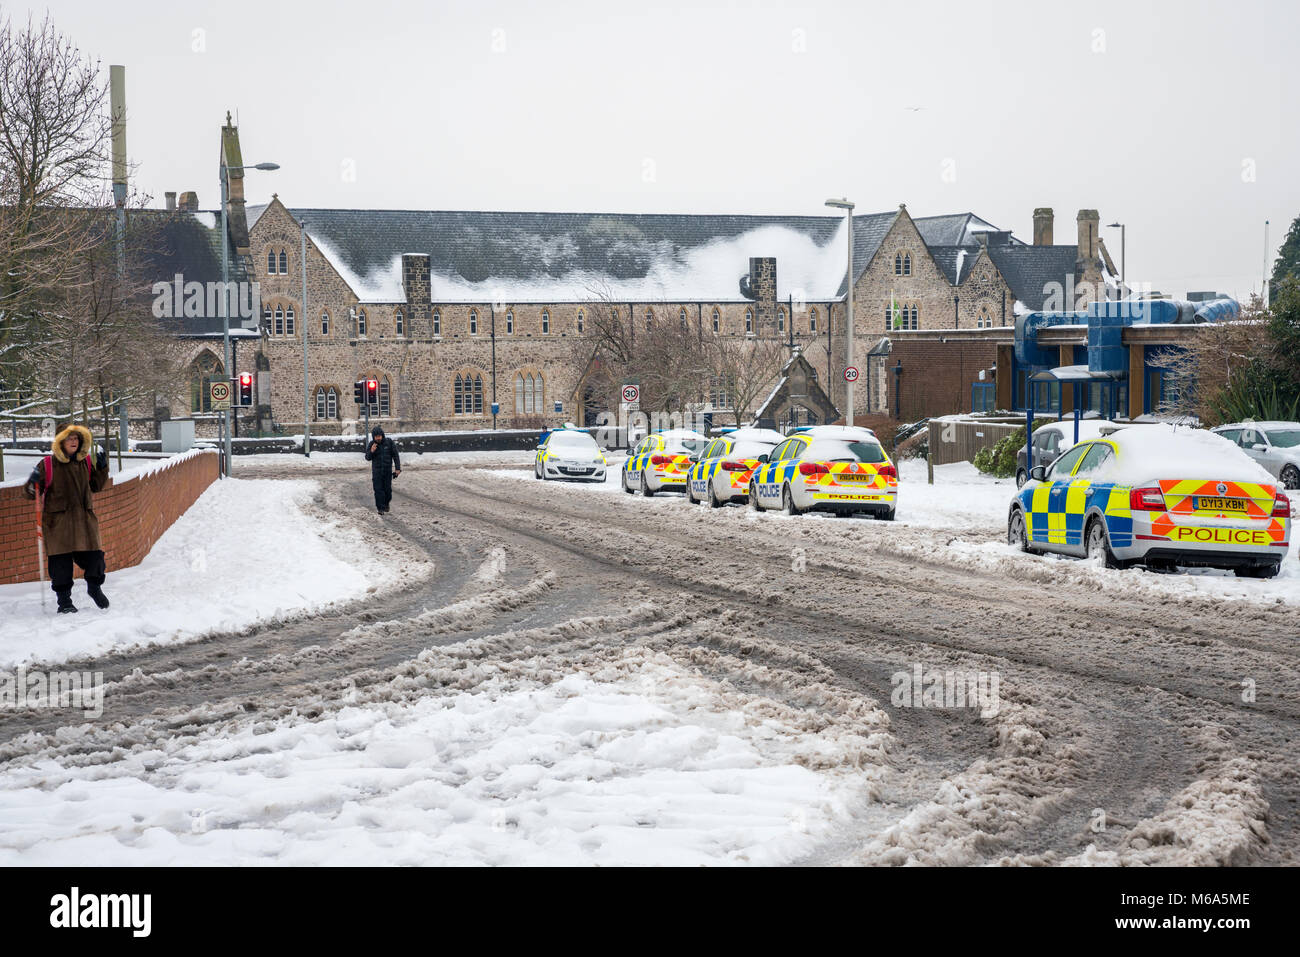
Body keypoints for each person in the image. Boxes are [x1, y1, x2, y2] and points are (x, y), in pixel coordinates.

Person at [23, 424, 111, 614]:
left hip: (84, 524)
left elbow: (96, 486)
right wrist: (33, 481)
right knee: (60, 567)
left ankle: (94, 588)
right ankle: (64, 602)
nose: (74, 441)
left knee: (96, 559)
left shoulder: (85, 463)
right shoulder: (47, 464)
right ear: (60, 441)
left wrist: (102, 468)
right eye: (69, 438)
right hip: (58, 526)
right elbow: (30, 493)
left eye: (76, 438)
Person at [364, 426, 401, 514]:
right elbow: (367, 458)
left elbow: (395, 455)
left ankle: (386, 503)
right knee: (378, 490)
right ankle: (380, 508)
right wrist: (372, 451)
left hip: (387, 471)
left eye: (379, 436)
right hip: (377, 472)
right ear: (373, 437)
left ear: (382, 435)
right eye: (376, 436)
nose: (378, 438)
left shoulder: (389, 442)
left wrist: (398, 468)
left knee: (387, 491)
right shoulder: (372, 444)